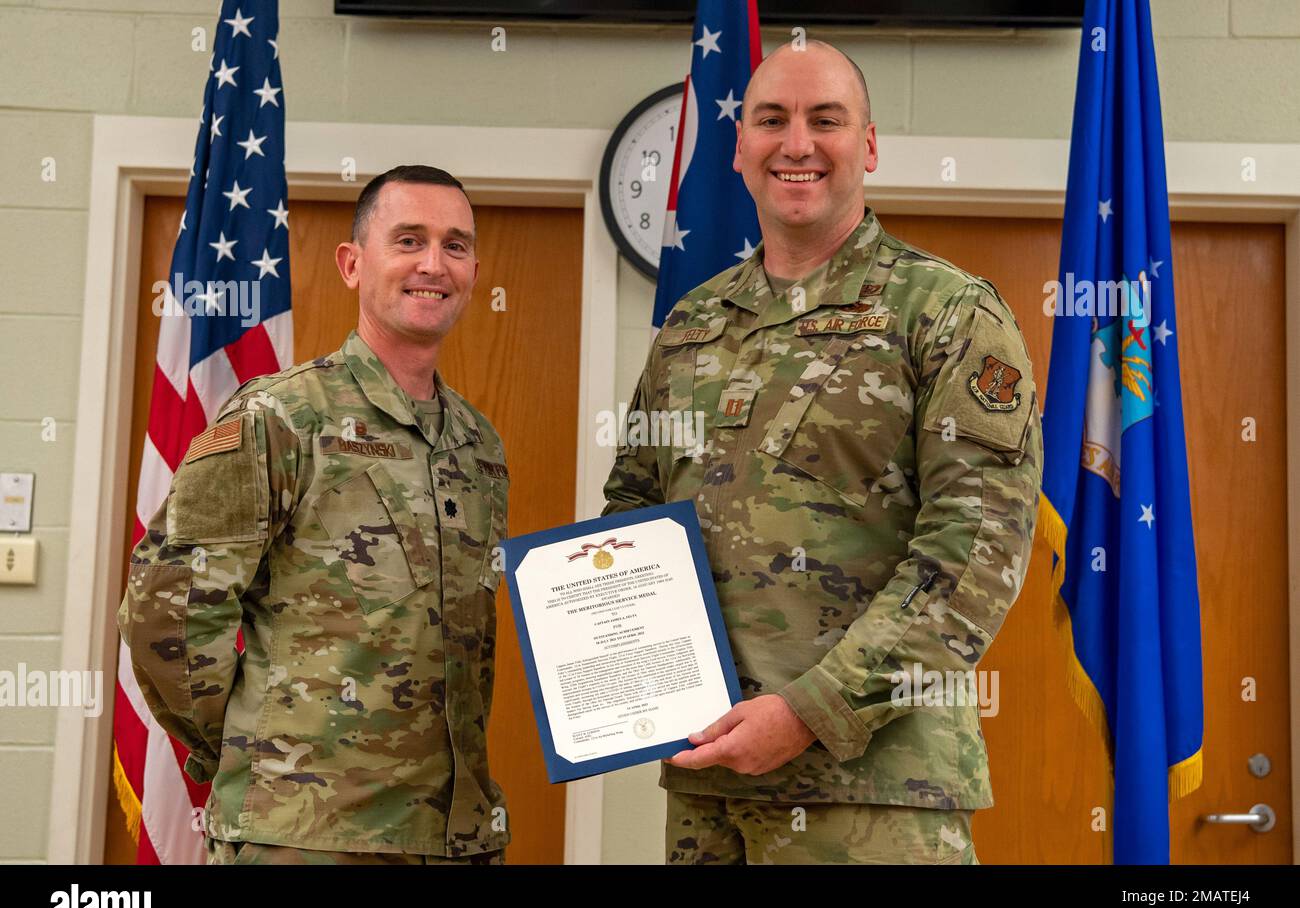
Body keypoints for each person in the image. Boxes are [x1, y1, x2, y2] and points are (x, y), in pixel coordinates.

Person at [603, 41, 1043, 864]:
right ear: (739, 148)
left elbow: (974, 552)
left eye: (825, 120)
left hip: (873, 790)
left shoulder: (945, 312)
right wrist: (620, 672)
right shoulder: (691, 327)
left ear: (868, 146)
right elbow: (633, 514)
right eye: (771, 120)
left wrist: (814, 710)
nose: (796, 143)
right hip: (710, 790)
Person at [119, 165, 510, 865]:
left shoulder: (478, 445)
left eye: (455, 245)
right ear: (353, 264)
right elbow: (167, 609)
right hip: (302, 836)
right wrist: (253, 742)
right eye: (409, 240)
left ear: (475, 269)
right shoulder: (282, 416)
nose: (433, 263)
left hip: (452, 839)